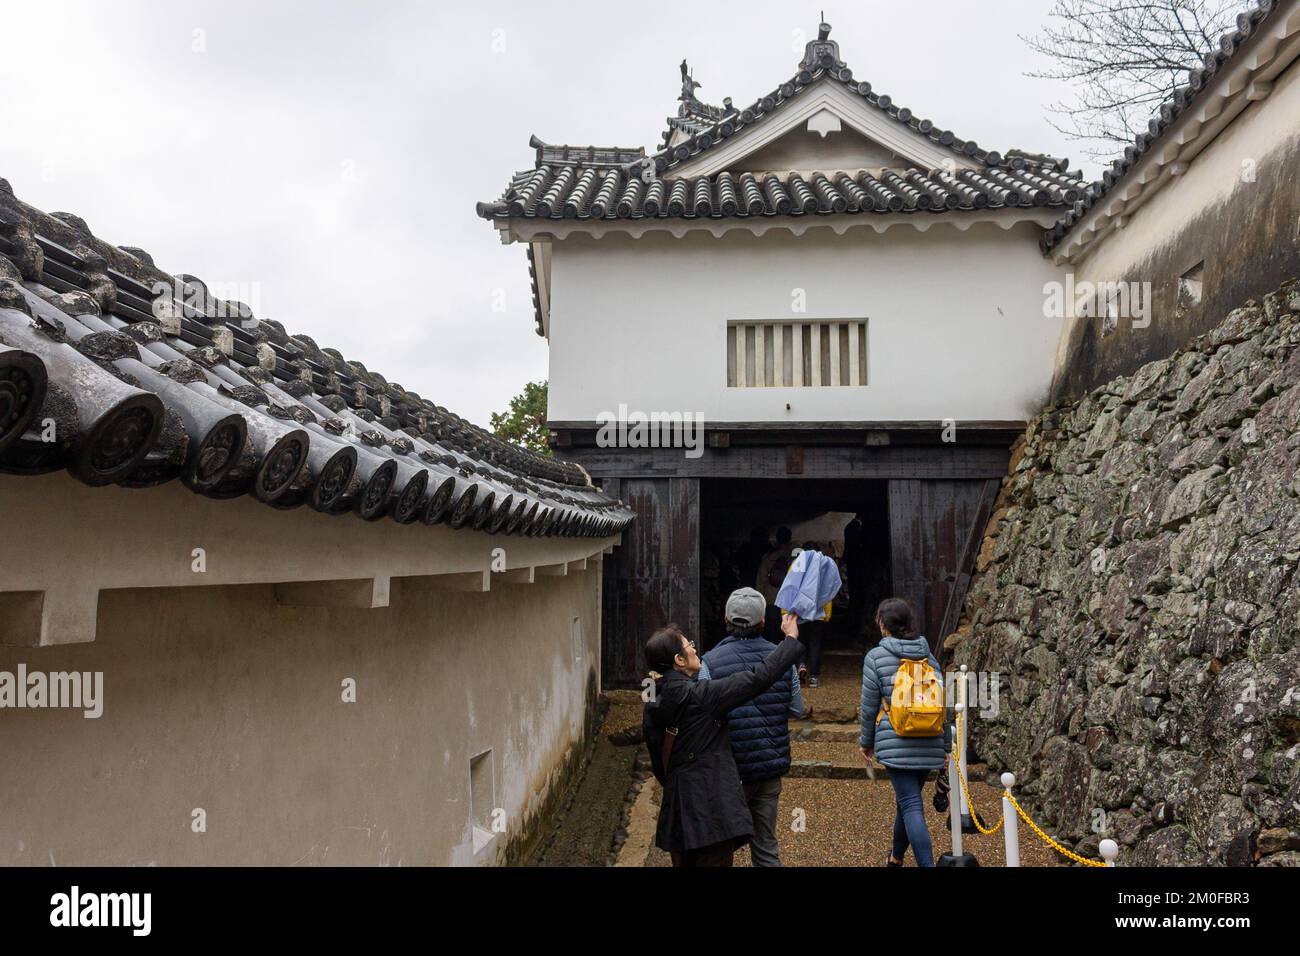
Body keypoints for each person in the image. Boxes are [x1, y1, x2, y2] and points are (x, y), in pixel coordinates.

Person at [642, 614, 805, 867]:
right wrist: (791, 639)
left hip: (678, 807)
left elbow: (658, 761)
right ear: (679, 660)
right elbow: (758, 678)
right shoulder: (702, 696)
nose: (695, 649)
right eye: (689, 646)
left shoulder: (652, 699)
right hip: (710, 808)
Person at [697, 587, 805, 867]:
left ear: (725, 618)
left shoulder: (708, 662)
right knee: (766, 844)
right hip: (769, 765)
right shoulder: (782, 659)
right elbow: (797, 708)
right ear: (762, 622)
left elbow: (703, 713)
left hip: (729, 770)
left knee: (720, 846)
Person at [858, 598, 951, 867]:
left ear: (883, 625)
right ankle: (896, 857)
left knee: (910, 805)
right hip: (930, 740)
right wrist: (945, 747)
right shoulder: (928, 656)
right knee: (907, 801)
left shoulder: (875, 657)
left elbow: (868, 707)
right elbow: (941, 705)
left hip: (896, 740)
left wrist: (866, 742)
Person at [756, 527, 794, 642]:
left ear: (777, 539)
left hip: (772, 598)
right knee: (789, 632)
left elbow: (761, 579)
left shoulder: (768, 557)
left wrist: (760, 599)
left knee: (772, 632)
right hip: (789, 600)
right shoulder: (794, 556)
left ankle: (773, 656)